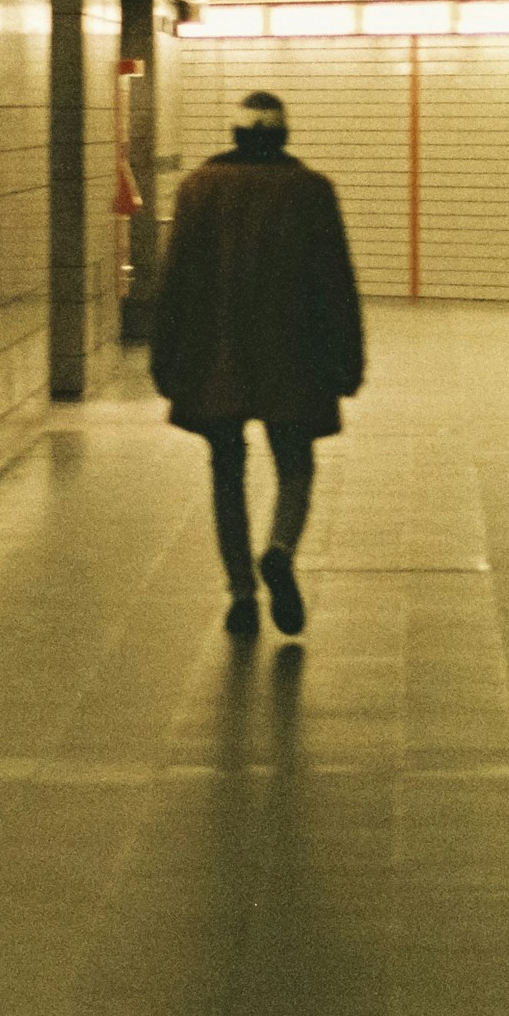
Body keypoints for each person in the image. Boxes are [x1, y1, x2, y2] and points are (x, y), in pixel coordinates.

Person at [150, 88, 364, 638]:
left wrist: (165, 356)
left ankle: (242, 593)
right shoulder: (311, 191)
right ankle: (280, 549)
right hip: (293, 357)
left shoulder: (199, 189)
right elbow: (335, 283)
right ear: (283, 136)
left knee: (226, 471)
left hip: (215, 357)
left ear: (236, 135)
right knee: (295, 465)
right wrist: (347, 358)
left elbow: (174, 280)